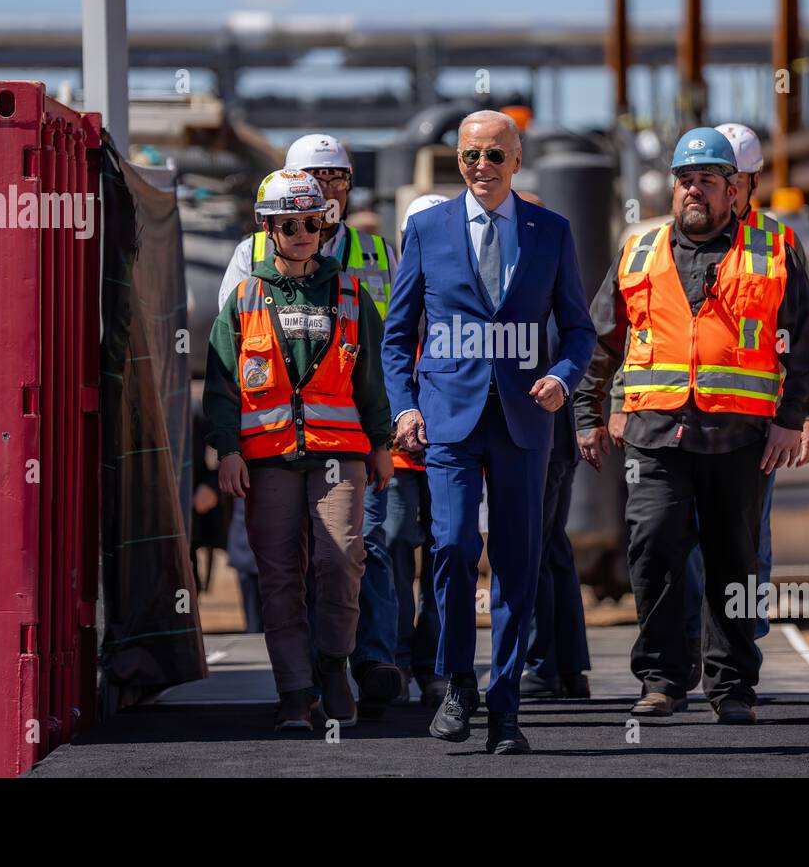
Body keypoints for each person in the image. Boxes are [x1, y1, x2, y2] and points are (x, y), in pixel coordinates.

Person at [574, 127, 809, 724]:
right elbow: (599, 341)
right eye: (686, 180)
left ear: (733, 189)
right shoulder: (640, 251)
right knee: (654, 550)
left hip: (740, 439)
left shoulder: (775, 247)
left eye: (707, 181)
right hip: (655, 436)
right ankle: (662, 679)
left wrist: (794, 420)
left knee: (733, 563)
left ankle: (732, 686)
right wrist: (588, 413)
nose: (694, 191)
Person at [382, 110, 595, 754]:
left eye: (494, 156)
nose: (482, 167)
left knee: (516, 561)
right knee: (447, 548)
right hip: (448, 418)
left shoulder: (551, 233)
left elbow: (580, 330)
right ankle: (457, 682)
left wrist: (563, 374)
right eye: (471, 156)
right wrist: (405, 408)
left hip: (523, 420)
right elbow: (396, 337)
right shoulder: (427, 229)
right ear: (458, 160)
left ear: (517, 159)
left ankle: (505, 705)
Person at [217, 134, 404, 720]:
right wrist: (225, 450)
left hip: (339, 452)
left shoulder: (350, 290)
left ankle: (334, 663)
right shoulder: (243, 296)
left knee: (342, 558)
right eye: (288, 223)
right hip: (268, 456)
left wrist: (380, 444)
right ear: (268, 229)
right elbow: (221, 381)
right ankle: (296, 692)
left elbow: (371, 375)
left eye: (310, 223)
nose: (301, 232)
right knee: (277, 573)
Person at [383, 193, 450, 708]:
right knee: (396, 555)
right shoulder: (397, 293)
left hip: (451, 450)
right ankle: (400, 661)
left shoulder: (462, 288)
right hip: (404, 455)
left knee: (446, 558)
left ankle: (432, 665)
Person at [520, 320, 592, 699]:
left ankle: (541, 665)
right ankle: (567, 667)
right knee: (550, 549)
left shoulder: (524, 280)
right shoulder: (552, 278)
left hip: (540, 437)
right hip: (557, 435)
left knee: (532, 549)